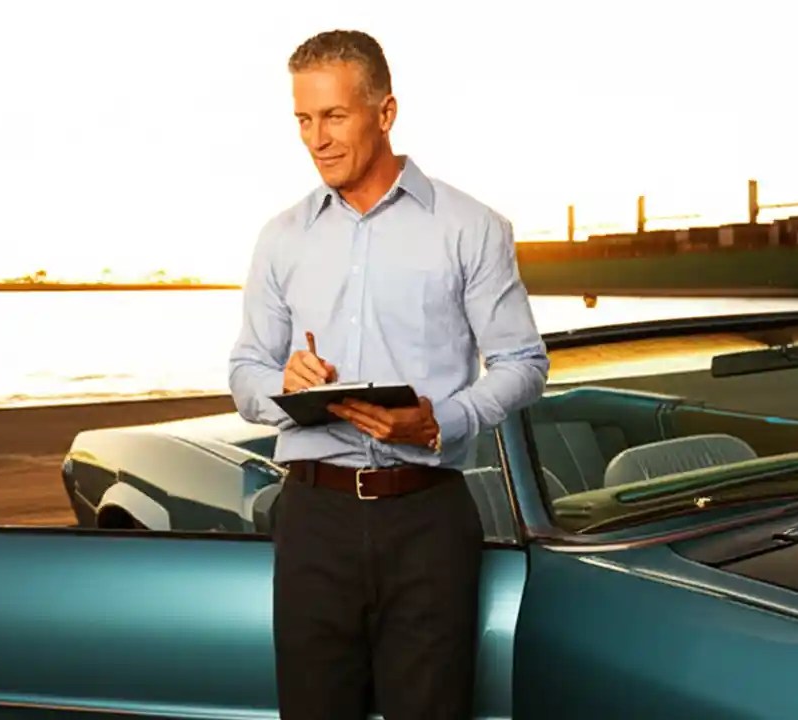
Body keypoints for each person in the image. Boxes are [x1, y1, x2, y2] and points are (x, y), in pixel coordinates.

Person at [227, 28, 549, 720]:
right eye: (303, 120)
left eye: (334, 116)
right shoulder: (282, 237)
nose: (317, 139)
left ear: (384, 111)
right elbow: (245, 371)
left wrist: (442, 419)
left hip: (427, 520)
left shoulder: (471, 227)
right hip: (313, 519)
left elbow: (524, 363)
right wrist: (286, 389)